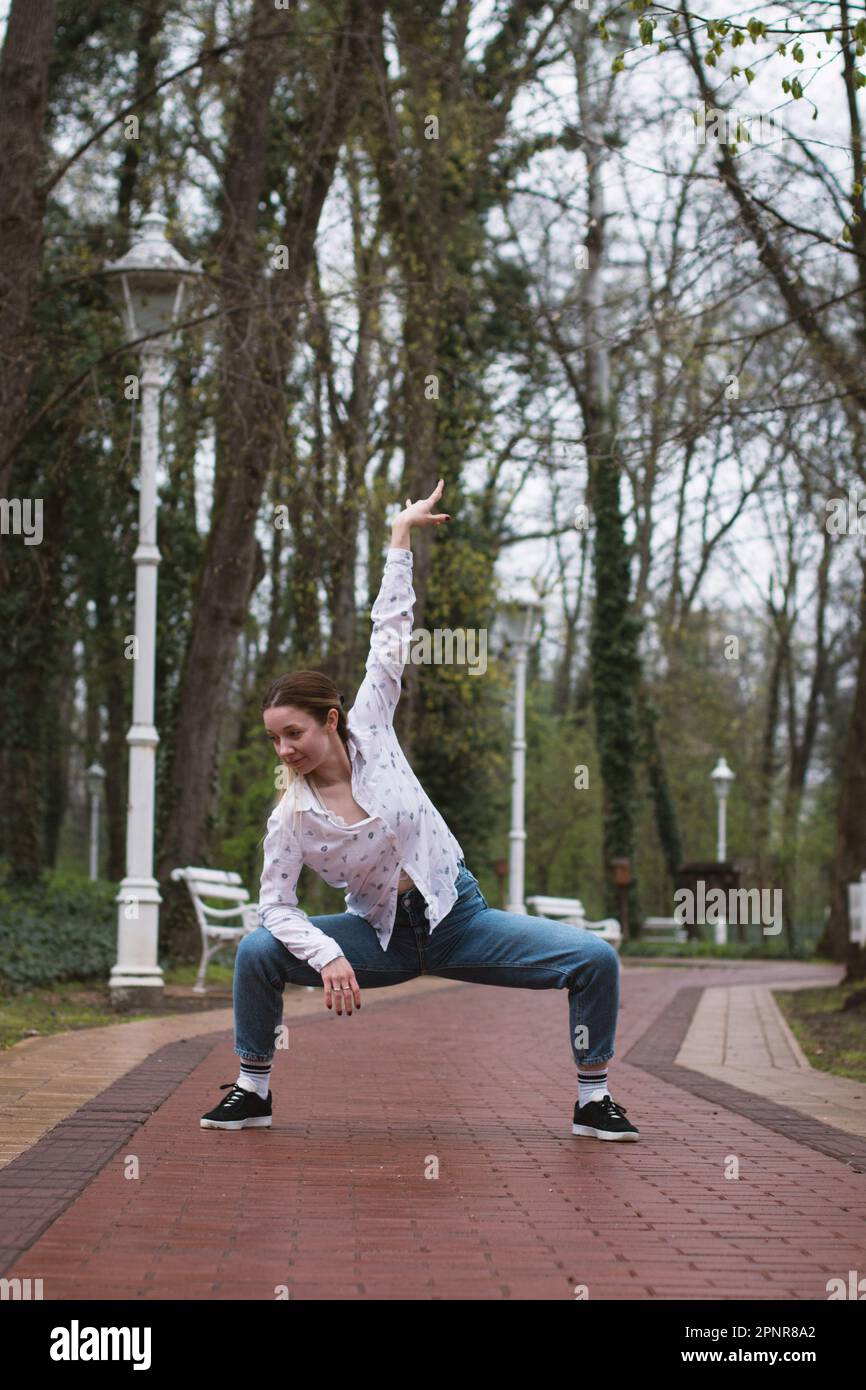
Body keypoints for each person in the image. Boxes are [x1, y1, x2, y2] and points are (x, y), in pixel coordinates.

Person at [201, 480, 638, 1141]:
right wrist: (328, 954)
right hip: (378, 938)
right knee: (258, 951)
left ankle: (593, 1098)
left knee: (594, 958)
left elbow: (390, 634)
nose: (285, 749)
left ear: (330, 720)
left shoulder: (372, 729)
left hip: (460, 920)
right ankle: (252, 1089)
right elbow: (276, 907)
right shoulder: (292, 816)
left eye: (294, 733)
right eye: (274, 739)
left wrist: (399, 536)